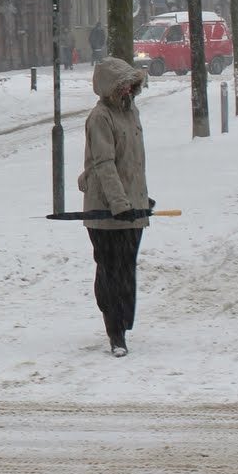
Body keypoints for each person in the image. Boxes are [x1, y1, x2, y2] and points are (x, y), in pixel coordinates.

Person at [77, 57, 151, 357]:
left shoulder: (131, 113)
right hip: (106, 211)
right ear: (111, 89)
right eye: (124, 87)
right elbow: (105, 165)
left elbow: (133, 164)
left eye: (133, 87)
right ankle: (115, 331)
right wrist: (120, 204)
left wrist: (141, 199)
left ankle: (123, 321)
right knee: (111, 269)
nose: (129, 93)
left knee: (126, 268)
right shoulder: (100, 117)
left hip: (132, 209)